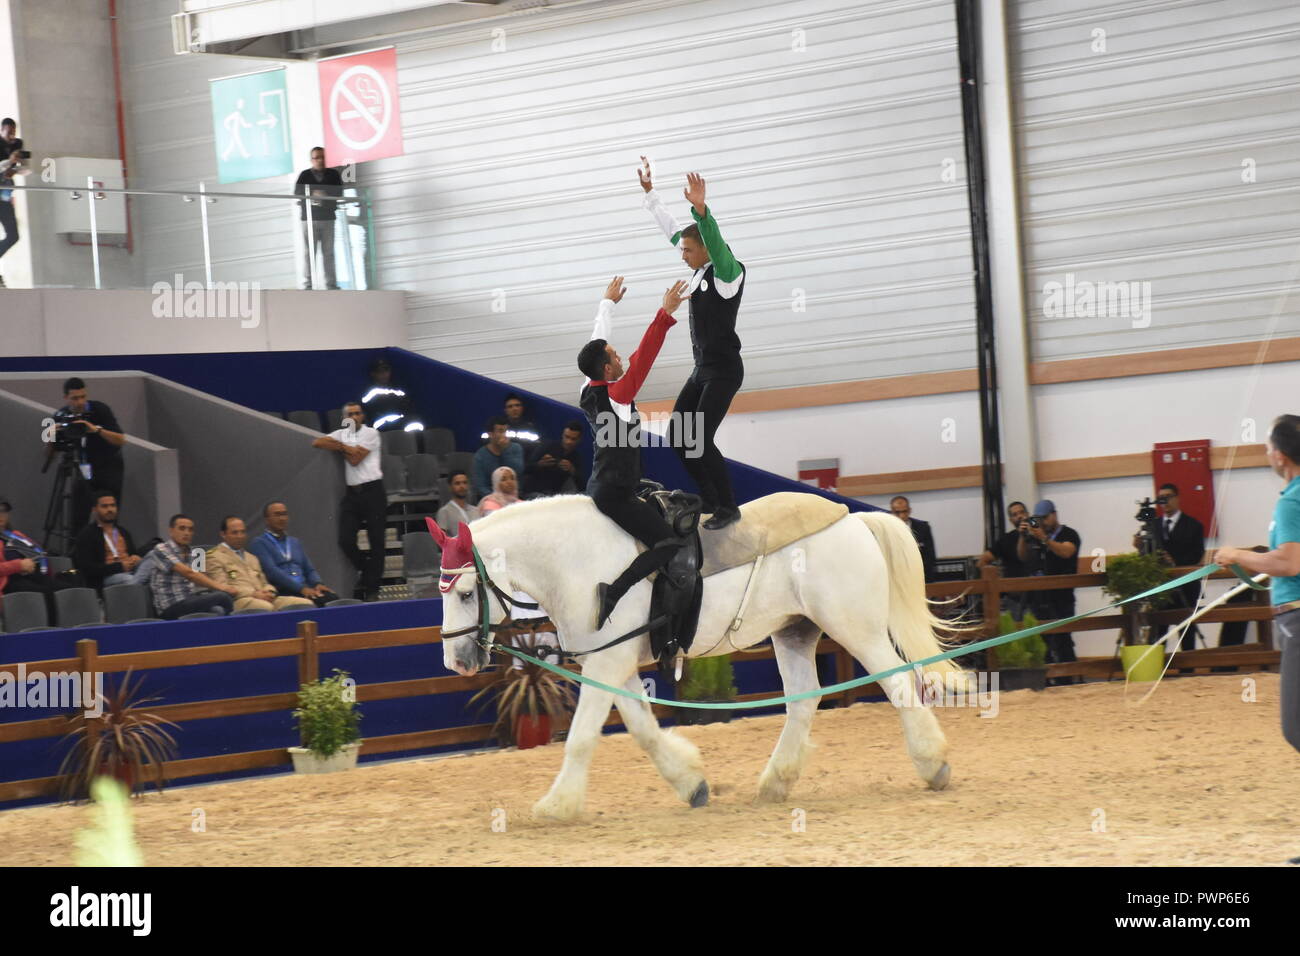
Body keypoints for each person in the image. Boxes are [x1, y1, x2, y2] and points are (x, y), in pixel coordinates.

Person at [576, 274, 688, 628]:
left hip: (603, 483)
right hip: (615, 494)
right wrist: (664, 314)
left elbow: (597, 340)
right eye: (613, 355)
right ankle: (615, 591)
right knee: (668, 543)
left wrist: (607, 304)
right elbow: (644, 357)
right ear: (608, 369)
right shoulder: (618, 395)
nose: (618, 354)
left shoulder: (589, 386)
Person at [640, 159, 745, 530]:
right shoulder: (699, 269)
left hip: (724, 371)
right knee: (678, 435)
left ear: (705, 249)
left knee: (700, 435)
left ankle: (729, 507)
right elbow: (674, 232)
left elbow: (713, 241)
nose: (681, 254)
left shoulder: (728, 273)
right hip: (702, 370)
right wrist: (651, 196)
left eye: (687, 250)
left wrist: (702, 211)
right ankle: (710, 499)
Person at [1213, 414, 1300, 755]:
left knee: (1296, 727)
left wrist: (1238, 555)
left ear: (1280, 455)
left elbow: (1288, 563)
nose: (1267, 454)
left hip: (1296, 616)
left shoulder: (1291, 500)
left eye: (1268, 447)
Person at [313, 402, 385, 601]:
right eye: (350, 414)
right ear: (345, 417)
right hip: (352, 493)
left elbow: (356, 460)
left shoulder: (371, 434)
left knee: (377, 541)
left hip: (373, 490)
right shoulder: (342, 434)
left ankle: (372, 588)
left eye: (357, 413)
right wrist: (344, 446)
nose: (354, 417)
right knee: (345, 539)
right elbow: (318, 443)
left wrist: (339, 448)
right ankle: (366, 569)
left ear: (363, 416)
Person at [1135, 482, 1207, 650]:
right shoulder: (1153, 526)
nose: (1165, 502)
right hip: (1161, 588)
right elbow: (1147, 558)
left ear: (1177, 498)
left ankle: (1188, 673)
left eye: (1168, 497)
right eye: (1161, 499)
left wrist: (1174, 562)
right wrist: (1140, 547)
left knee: (1187, 634)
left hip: (1186, 587)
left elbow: (1196, 555)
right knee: (1158, 634)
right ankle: (1159, 670)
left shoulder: (1194, 526)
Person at [49, 377, 127, 529]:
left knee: (109, 516)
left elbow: (121, 440)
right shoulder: (60, 416)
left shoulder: (100, 410)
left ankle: (110, 547)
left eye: (83, 397)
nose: (80, 402)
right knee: (78, 519)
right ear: (66, 398)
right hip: (81, 469)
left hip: (108, 468)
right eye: (75, 398)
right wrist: (50, 437)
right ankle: (76, 548)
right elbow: (48, 457)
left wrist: (95, 429)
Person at [1016, 499, 1082, 675]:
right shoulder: (1035, 535)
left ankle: (1068, 677)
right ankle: (1046, 677)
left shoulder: (1069, 534)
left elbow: (1066, 552)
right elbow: (1023, 557)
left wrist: (1044, 538)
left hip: (1062, 596)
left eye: (1045, 518)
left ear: (1054, 515)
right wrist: (1023, 537)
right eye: (1039, 519)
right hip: (1039, 595)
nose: (1043, 523)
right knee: (1041, 638)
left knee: (1063, 637)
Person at [138, 514, 237, 619]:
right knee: (222, 597)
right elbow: (190, 574)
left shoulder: (195, 552)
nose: (187, 533)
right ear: (171, 531)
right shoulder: (161, 549)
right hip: (170, 606)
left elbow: (200, 580)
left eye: (190, 530)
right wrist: (222, 587)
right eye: (182, 528)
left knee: (218, 610)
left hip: (191, 600)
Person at [206, 516, 314, 612]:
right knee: (265, 608)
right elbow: (222, 587)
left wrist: (269, 591)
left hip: (263, 596)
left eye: (242, 532)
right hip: (238, 600)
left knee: (304, 604)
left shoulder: (251, 557)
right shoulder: (214, 556)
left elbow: (264, 582)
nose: (240, 536)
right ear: (223, 534)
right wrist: (253, 594)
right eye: (235, 532)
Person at [248, 501, 340, 608]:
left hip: (304, 588)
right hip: (283, 591)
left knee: (332, 598)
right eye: (277, 515)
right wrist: (301, 589)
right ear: (267, 519)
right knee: (317, 603)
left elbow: (309, 569)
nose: (282, 518)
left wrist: (317, 584)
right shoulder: (259, 543)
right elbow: (272, 572)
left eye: (284, 514)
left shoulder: (294, 542)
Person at [71, 491, 143, 590]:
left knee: (153, 555)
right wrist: (119, 567)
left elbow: (132, 554)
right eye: (104, 506)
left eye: (112, 506)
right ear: (94, 510)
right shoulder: (87, 535)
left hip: (132, 571)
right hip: (106, 577)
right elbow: (87, 568)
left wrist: (136, 558)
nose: (110, 509)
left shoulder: (123, 532)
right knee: (130, 580)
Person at [294, 146, 343, 290]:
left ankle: (331, 284)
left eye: (322, 157)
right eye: (316, 158)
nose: (320, 160)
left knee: (329, 252)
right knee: (309, 253)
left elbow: (339, 192)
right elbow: (297, 193)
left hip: (328, 218)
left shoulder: (333, 174)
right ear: (311, 160)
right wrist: (313, 195)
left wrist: (324, 195)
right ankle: (308, 284)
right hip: (308, 219)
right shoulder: (304, 175)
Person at [978, 500, 1031, 618]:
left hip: (1037, 596)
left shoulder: (1037, 534)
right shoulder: (1006, 540)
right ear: (1011, 520)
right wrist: (995, 581)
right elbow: (983, 561)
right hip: (1014, 598)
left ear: (1027, 514)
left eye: (1022, 512)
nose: (1019, 516)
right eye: (1015, 515)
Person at [360, 356, 423, 433]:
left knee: (416, 421)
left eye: (386, 370)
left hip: (400, 422)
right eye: (379, 371)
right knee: (411, 422)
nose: (384, 374)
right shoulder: (369, 392)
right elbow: (367, 412)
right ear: (373, 374)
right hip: (381, 425)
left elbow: (408, 407)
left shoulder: (398, 390)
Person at [525, 421, 585, 498]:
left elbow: (582, 486)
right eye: (567, 437)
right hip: (534, 491)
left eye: (573, 439)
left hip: (555, 495)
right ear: (562, 435)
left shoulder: (576, 457)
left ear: (578, 440)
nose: (568, 442)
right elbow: (526, 468)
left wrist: (572, 470)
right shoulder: (547, 447)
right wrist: (540, 464)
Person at [0, 118, 27, 287]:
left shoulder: (17, 144)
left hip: (5, 196)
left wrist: (18, 164)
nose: (11, 135)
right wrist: (10, 161)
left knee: (13, 235)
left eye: (14, 132)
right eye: (9, 131)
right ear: (2, 129)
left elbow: (22, 169)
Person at [473, 417, 525, 502]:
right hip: (491, 498)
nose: (504, 435)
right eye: (501, 431)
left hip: (515, 495)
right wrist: (497, 499)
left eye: (506, 431)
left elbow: (518, 472)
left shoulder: (516, 448)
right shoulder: (480, 455)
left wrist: (505, 451)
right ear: (490, 434)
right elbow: (480, 486)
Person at [889, 496, 938, 582]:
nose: (901, 515)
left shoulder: (923, 528)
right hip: (896, 577)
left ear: (909, 510)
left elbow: (930, 555)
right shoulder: (885, 529)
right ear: (892, 512)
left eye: (904, 511)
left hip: (921, 575)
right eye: (897, 512)